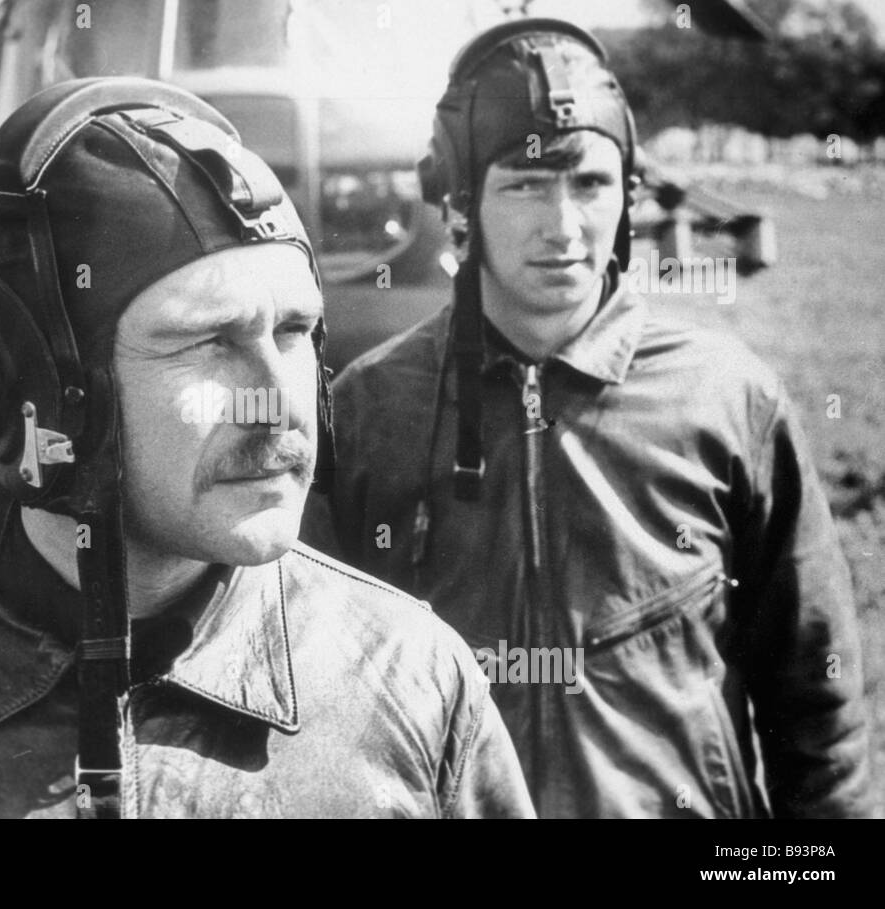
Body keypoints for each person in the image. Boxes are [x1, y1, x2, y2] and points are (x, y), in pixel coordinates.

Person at [0, 79, 533, 819]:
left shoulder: (412, 678)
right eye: (209, 341)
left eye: (296, 330)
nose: (279, 400)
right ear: (33, 387)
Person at [304, 19, 871, 817]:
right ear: (462, 201)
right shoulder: (367, 412)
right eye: (526, 184)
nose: (564, 227)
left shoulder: (728, 398)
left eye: (591, 184)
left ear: (629, 194)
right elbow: (313, 704)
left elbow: (816, 700)